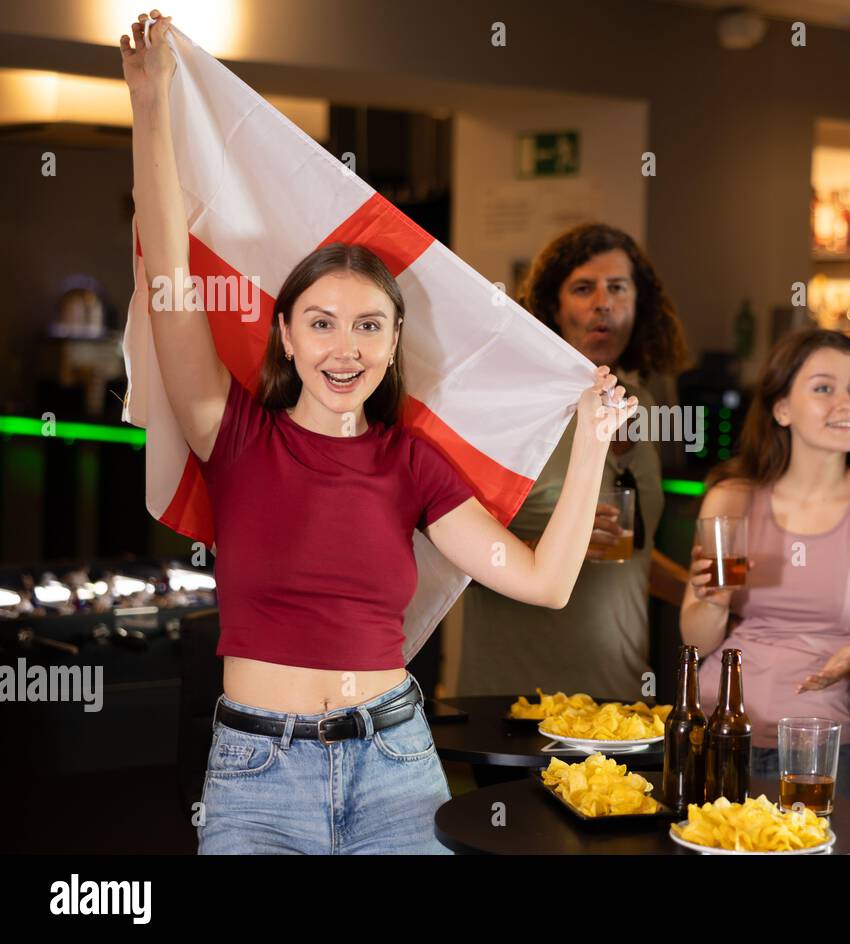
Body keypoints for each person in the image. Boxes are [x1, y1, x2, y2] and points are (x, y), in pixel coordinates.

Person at [124, 12, 635, 854]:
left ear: (395, 344)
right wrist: (153, 107)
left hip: (397, 759)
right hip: (257, 772)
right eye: (321, 324)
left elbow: (545, 581)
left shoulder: (413, 464)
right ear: (285, 335)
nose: (345, 347)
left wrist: (588, 440)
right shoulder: (232, 433)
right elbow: (171, 270)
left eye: (369, 327)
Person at [457, 223, 689, 699]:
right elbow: (446, 554)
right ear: (553, 308)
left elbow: (634, 554)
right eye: (583, 288)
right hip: (517, 698)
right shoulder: (514, 405)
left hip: (618, 695)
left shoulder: (641, 403)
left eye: (618, 288)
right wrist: (553, 546)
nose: (603, 302)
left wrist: (710, 594)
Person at [679, 329, 850, 805]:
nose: (846, 402)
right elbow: (695, 645)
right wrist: (711, 602)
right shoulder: (729, 498)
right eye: (823, 388)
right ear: (782, 408)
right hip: (718, 730)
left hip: (819, 749)